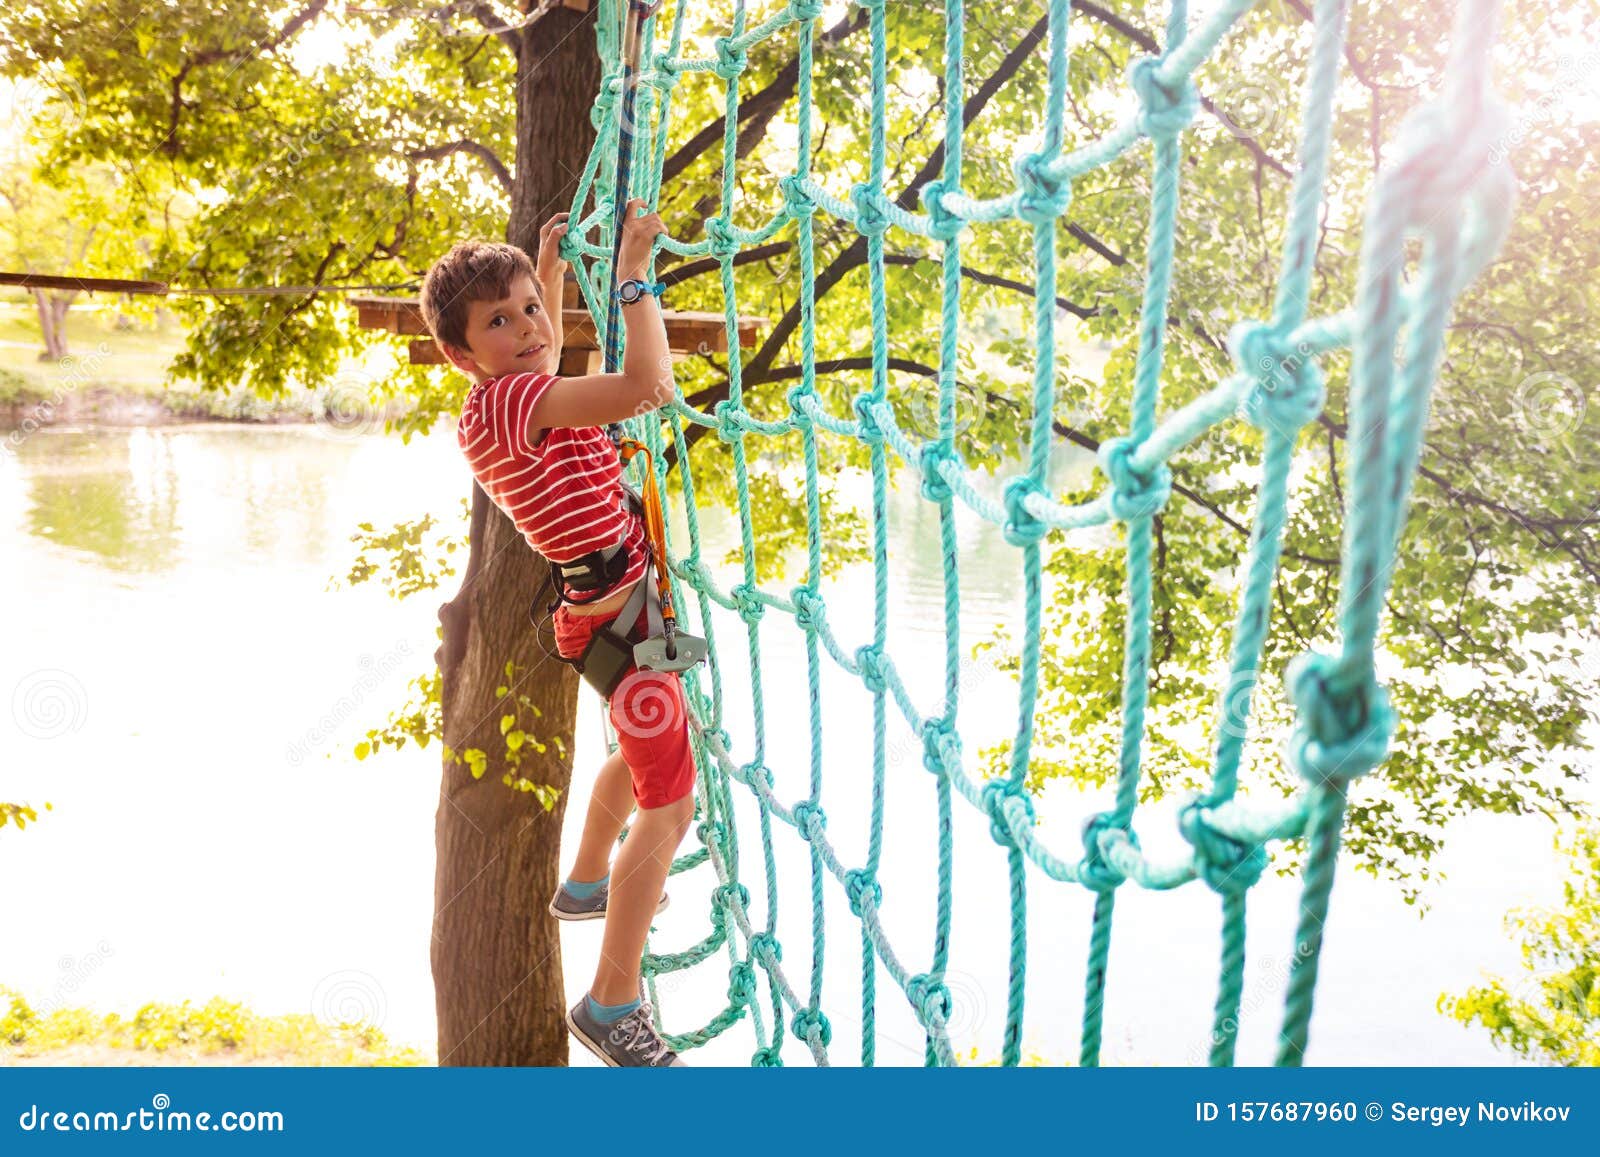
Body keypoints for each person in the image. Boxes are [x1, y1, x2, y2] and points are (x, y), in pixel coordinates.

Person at [420, 199, 694, 1068]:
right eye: (498, 320)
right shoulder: (514, 406)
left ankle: (583, 883)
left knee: (641, 749)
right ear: (462, 356)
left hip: (613, 609)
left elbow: (539, 340)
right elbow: (646, 386)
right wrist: (632, 277)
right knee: (672, 801)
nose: (530, 327)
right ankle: (611, 1002)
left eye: (531, 307)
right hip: (615, 612)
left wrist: (549, 272)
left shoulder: (503, 398)